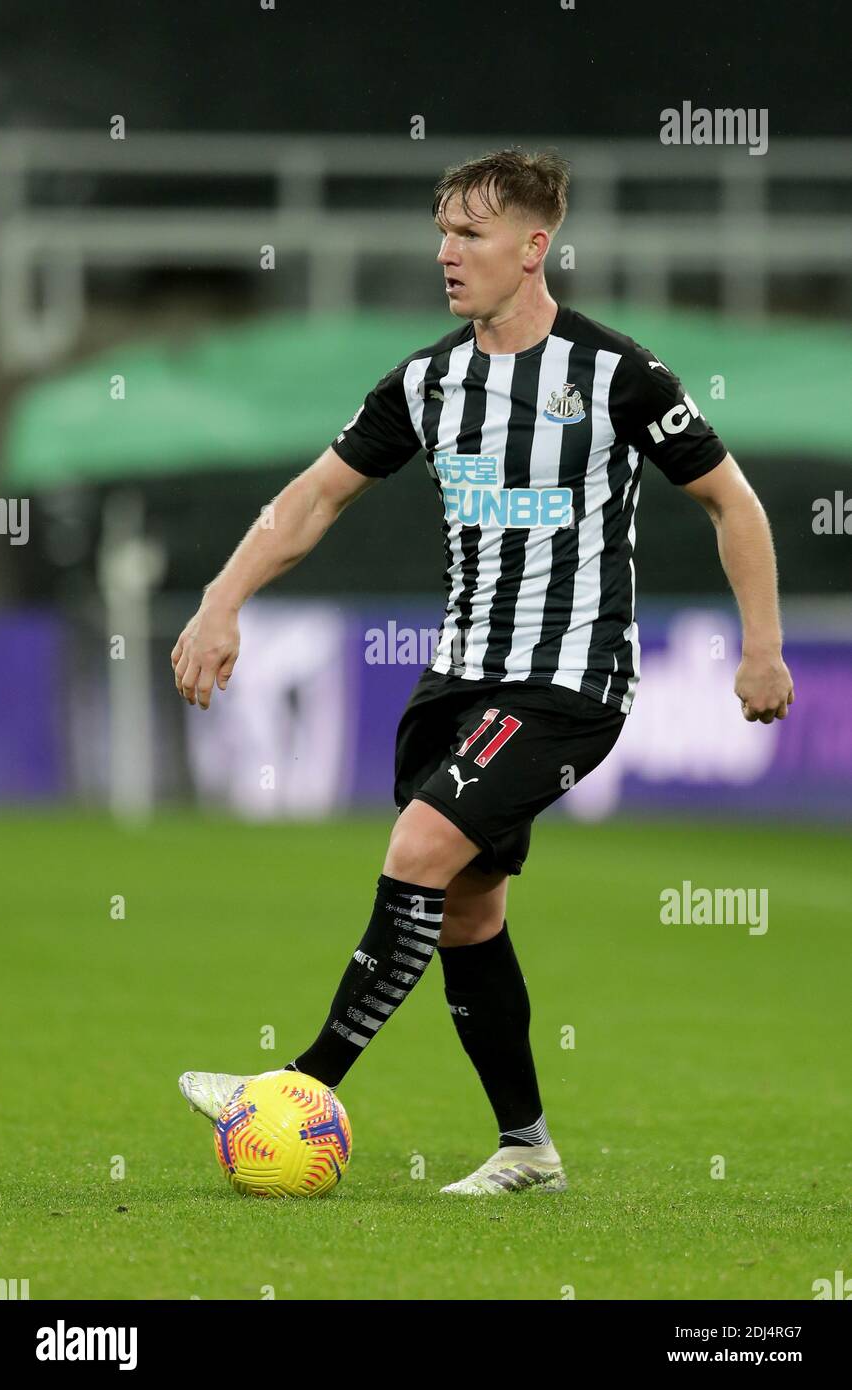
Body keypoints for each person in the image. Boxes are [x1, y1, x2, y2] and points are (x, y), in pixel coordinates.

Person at [172, 148, 794, 1195]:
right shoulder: (425, 381)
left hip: (568, 682)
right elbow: (315, 497)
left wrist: (762, 646)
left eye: (469, 234)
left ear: (532, 246)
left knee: (417, 846)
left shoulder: (618, 376)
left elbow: (731, 502)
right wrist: (221, 599)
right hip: (456, 680)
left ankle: (293, 1087)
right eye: (441, 230)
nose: (445, 252)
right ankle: (526, 1149)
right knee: (465, 911)